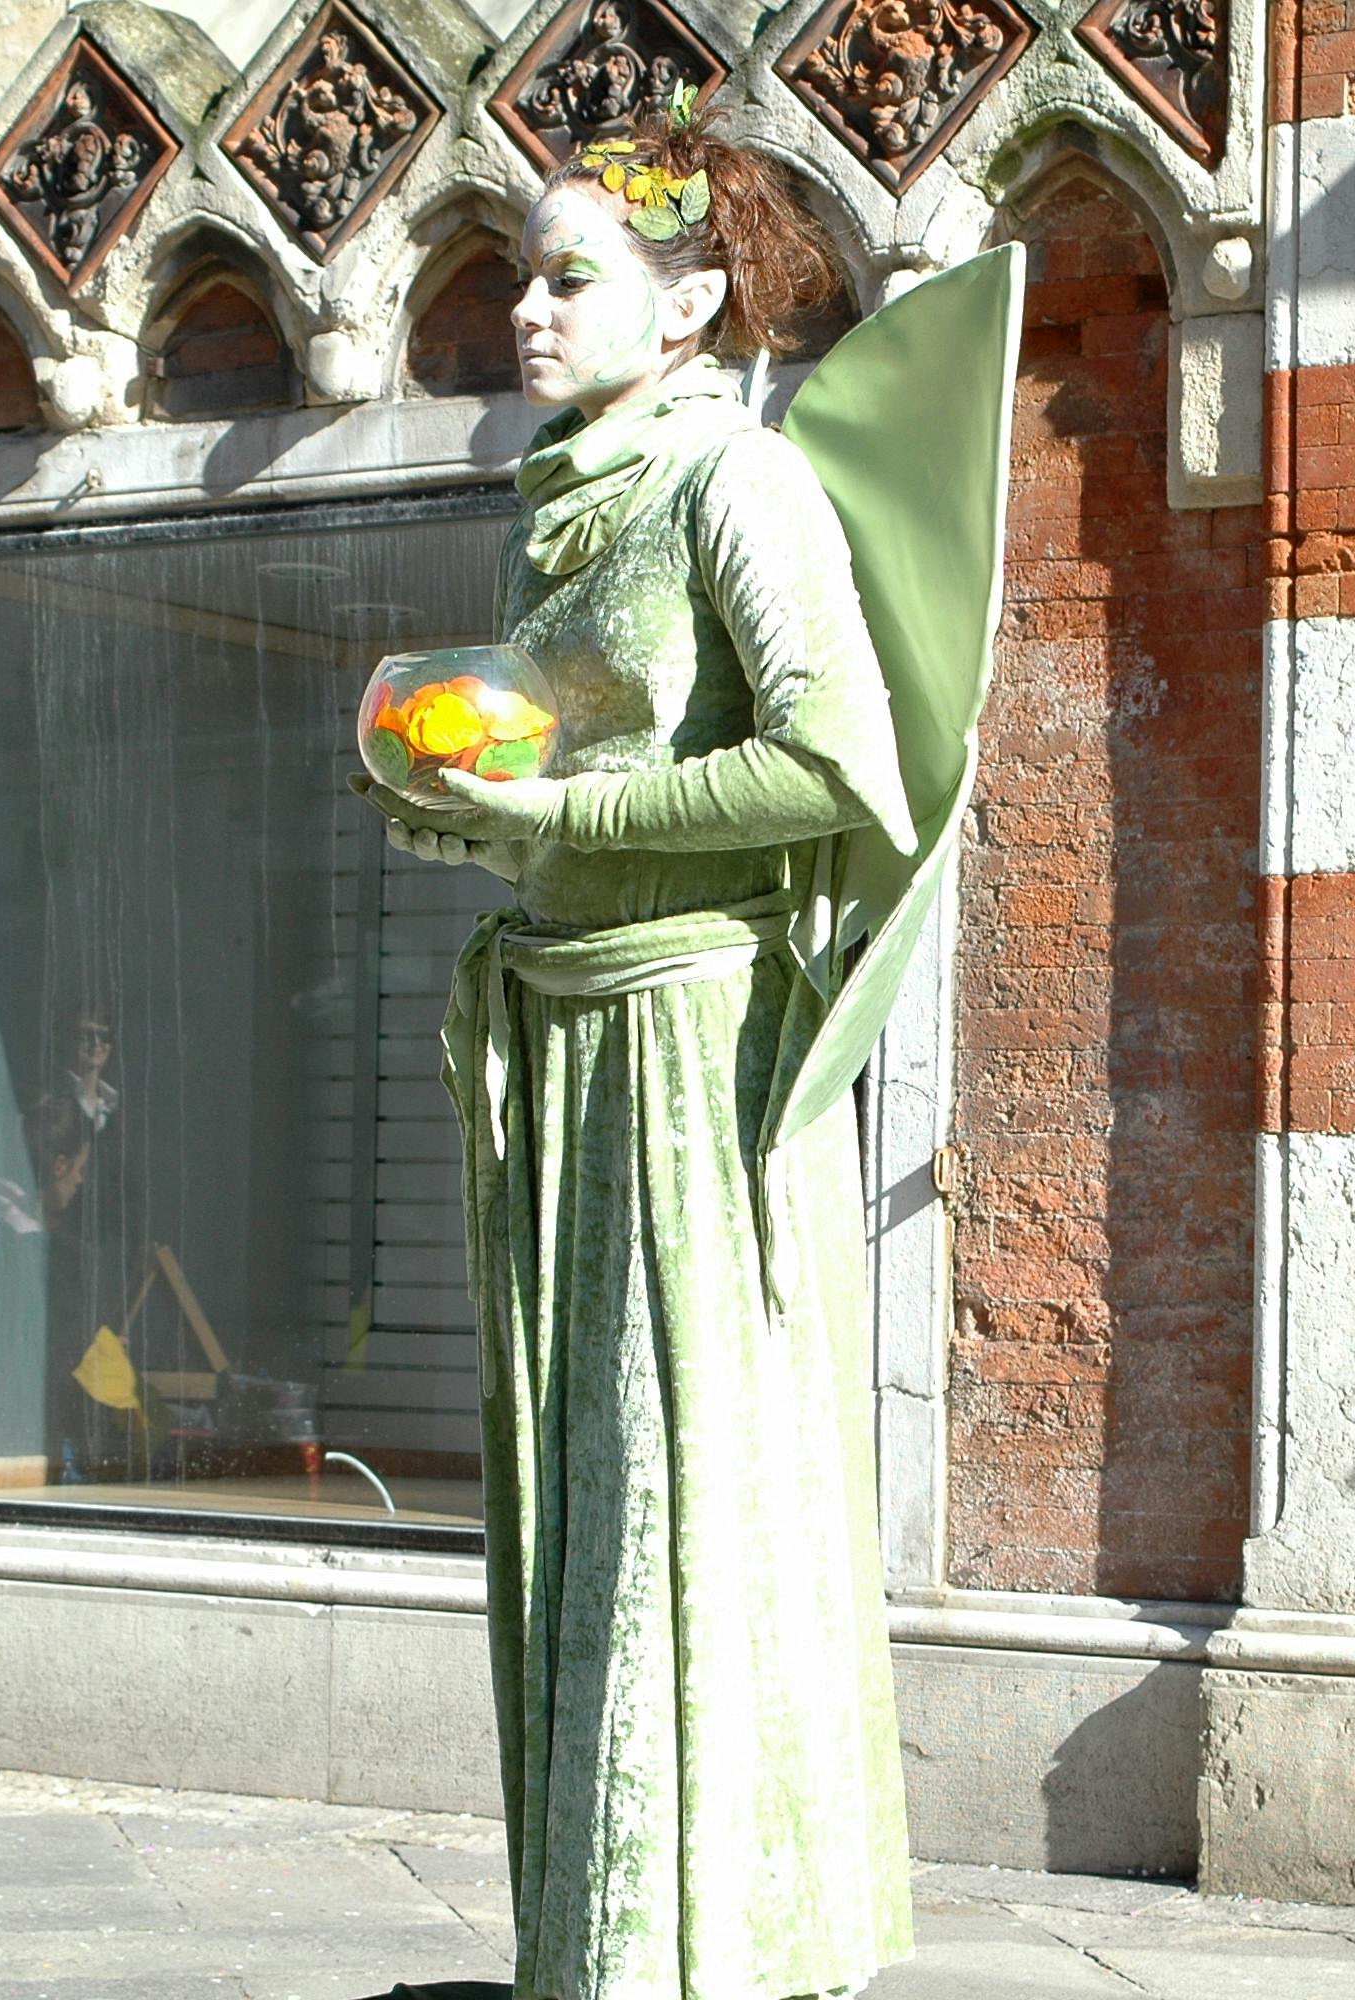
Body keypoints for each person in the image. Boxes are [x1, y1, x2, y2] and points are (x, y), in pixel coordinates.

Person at [355, 96, 917, 2000]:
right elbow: (577, 782)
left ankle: (708, 1946)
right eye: (523, 273)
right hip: (568, 1037)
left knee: (686, 1487)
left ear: (686, 308)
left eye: (571, 277)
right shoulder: (567, 507)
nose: (526, 308)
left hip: (690, 1046)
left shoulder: (735, 486)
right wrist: (469, 811)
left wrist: (559, 816)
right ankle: (605, 1943)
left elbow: (840, 765)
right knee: (591, 1497)